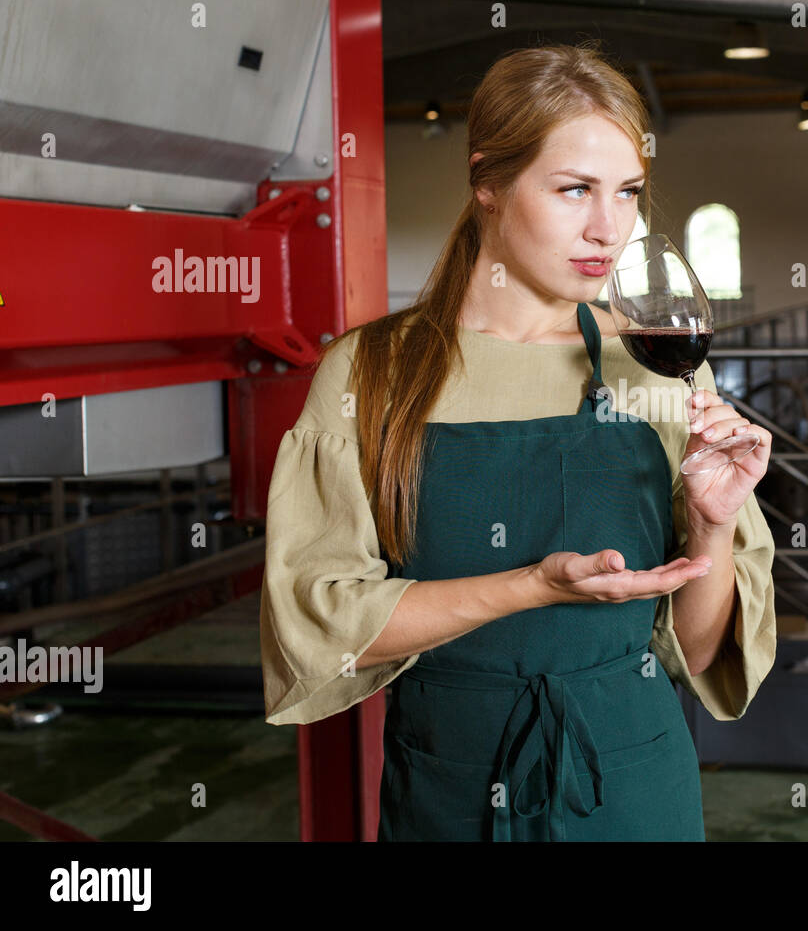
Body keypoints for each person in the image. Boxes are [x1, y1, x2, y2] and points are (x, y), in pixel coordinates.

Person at [258, 43, 777, 841]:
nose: (609, 229)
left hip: (633, 780)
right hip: (451, 784)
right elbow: (323, 628)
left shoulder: (651, 366)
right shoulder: (374, 371)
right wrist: (531, 586)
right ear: (488, 185)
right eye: (574, 190)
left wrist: (710, 522)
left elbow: (702, 655)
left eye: (629, 193)